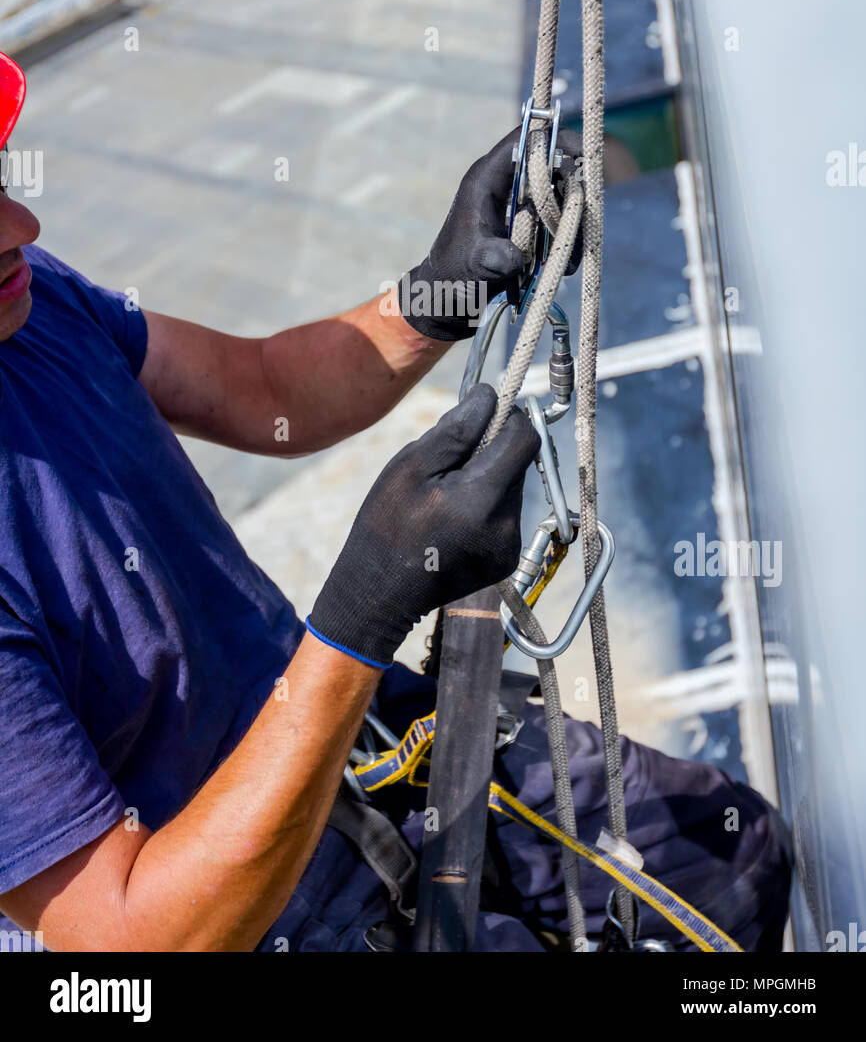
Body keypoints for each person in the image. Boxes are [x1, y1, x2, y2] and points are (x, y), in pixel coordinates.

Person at [0, 53, 790, 952]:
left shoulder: (29, 297)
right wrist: (363, 610)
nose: (22, 222)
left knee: (736, 858)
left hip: (355, 745)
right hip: (242, 912)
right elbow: (133, 937)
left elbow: (262, 387)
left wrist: (436, 295)